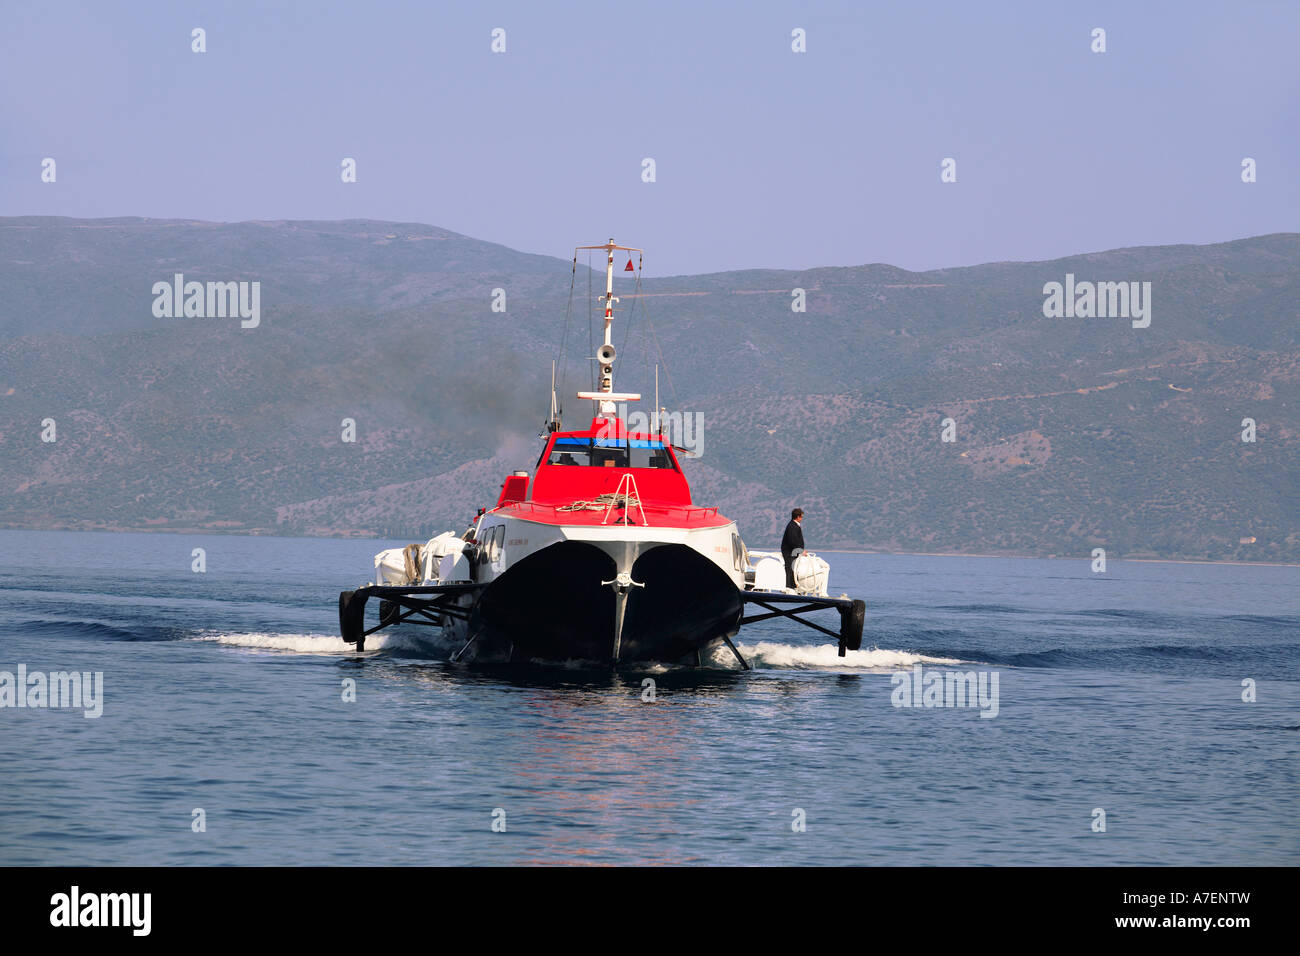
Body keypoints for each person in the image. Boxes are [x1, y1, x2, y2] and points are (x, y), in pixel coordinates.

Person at [781, 508, 805, 590]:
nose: (802, 519)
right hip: (789, 551)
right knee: (790, 568)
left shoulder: (794, 525)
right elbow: (792, 541)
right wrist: (801, 551)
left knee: (793, 568)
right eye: (801, 517)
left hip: (793, 551)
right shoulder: (792, 526)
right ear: (798, 517)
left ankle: (793, 586)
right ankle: (789, 587)